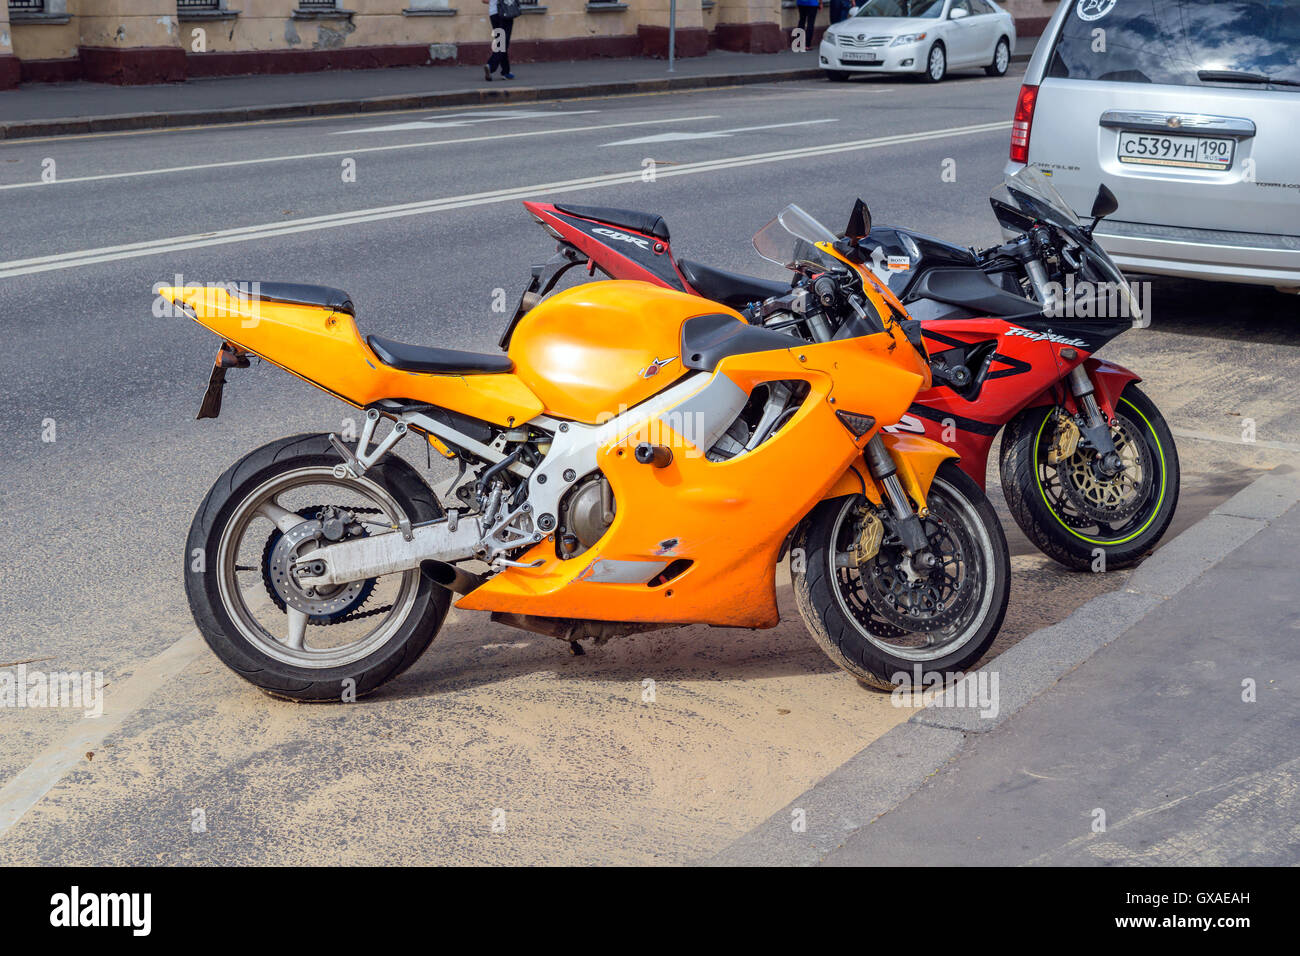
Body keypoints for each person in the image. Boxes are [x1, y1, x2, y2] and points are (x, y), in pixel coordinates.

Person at [483, 0, 518, 81]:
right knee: (503, 43)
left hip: (493, 14)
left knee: (500, 42)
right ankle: (491, 66)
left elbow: (484, 0)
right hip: (504, 11)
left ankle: (506, 72)